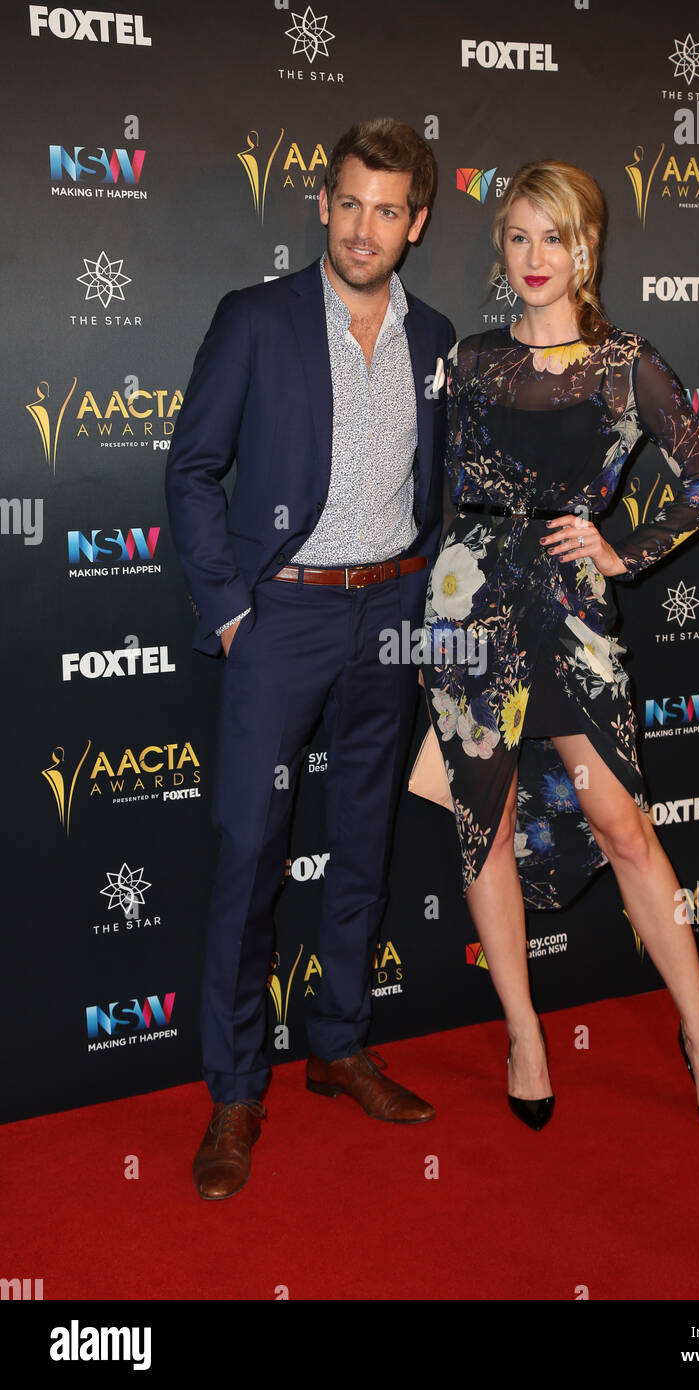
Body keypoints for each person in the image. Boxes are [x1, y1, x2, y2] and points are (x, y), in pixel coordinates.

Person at [416, 160, 699, 1137]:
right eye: (516, 236)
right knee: (486, 820)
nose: (532, 257)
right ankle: (523, 1031)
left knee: (625, 828)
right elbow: (440, 495)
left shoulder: (624, 363)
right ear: (498, 247)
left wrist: (618, 550)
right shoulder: (469, 360)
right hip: (470, 599)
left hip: (566, 601)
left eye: (551, 237)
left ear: (584, 248)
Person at [165, 118, 454, 1200]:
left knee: (363, 839)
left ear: (415, 223)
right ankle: (236, 1089)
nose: (363, 226)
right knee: (248, 853)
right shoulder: (255, 319)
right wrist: (233, 610)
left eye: (387, 210)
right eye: (349, 202)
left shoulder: (437, 341)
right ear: (321, 204)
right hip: (280, 617)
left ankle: (337, 1044)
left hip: (387, 609)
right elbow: (192, 468)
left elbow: (438, 491)